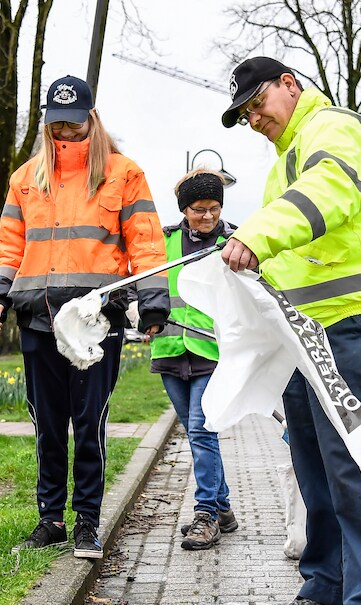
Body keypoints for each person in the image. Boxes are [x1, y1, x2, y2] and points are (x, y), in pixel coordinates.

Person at [219, 57, 361, 605]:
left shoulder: (333, 128)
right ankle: (326, 591)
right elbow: (293, 250)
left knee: (357, 464)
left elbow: (330, 194)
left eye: (259, 103)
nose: (255, 118)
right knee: (314, 464)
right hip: (310, 334)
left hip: (358, 320)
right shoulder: (285, 163)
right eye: (245, 114)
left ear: (290, 85)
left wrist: (255, 236)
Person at [0, 75, 168, 560]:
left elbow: (146, 242)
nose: (65, 133)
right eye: (56, 124)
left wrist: (152, 302)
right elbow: (10, 246)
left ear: (92, 119)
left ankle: (87, 522)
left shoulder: (124, 174)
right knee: (47, 423)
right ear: (46, 124)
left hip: (95, 322)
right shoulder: (25, 178)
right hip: (39, 318)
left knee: (89, 423)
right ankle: (50, 520)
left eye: (74, 123)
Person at [149, 169, 239, 551]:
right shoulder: (164, 242)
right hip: (170, 350)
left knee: (202, 431)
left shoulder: (234, 242)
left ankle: (205, 515)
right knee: (195, 432)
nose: (208, 217)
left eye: (214, 209)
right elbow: (146, 283)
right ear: (185, 209)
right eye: (200, 209)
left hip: (212, 353)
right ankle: (224, 509)